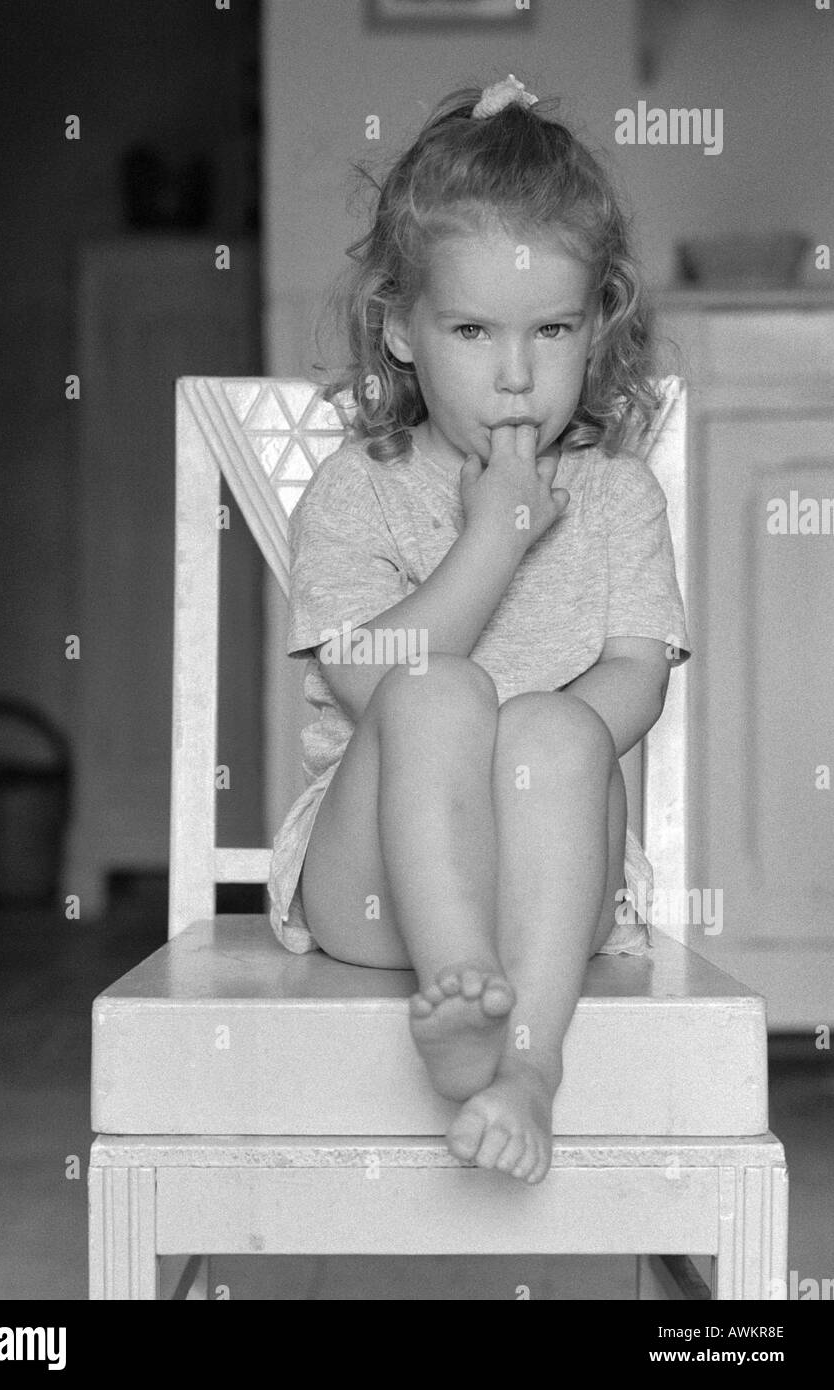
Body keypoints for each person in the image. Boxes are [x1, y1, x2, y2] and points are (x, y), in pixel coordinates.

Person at [267, 75, 691, 1183]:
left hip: (549, 891)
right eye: (471, 329)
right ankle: (457, 984)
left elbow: (639, 680)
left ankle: (525, 1063)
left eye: (550, 329)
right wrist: (492, 540)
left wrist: (533, 741)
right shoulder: (358, 489)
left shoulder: (615, 494)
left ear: (597, 322)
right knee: (430, 688)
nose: (516, 374)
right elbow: (368, 686)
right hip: (374, 894)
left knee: (562, 728)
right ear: (400, 329)